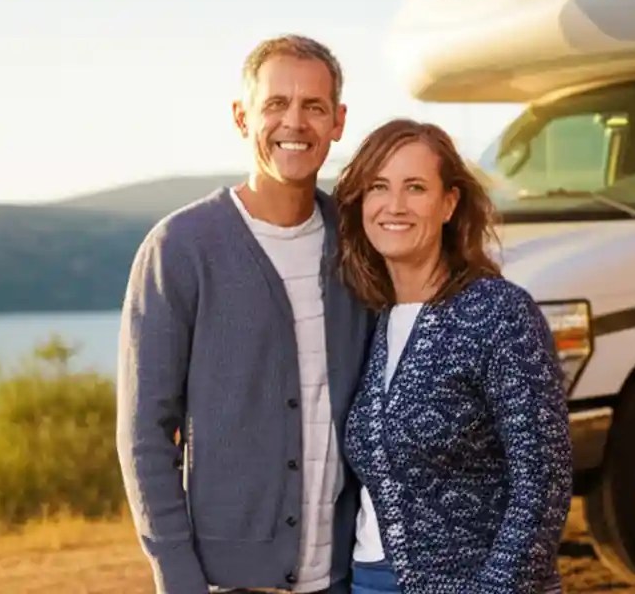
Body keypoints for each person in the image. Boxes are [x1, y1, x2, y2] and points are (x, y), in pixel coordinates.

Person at [116, 34, 374, 594]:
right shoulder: (180, 248)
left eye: (314, 106)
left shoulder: (358, 245)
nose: (295, 122)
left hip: (344, 577)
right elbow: (144, 434)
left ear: (338, 121)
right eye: (275, 104)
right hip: (223, 583)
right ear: (241, 117)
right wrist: (178, 578)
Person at [332, 119, 573, 594]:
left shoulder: (499, 313)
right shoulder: (373, 321)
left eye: (415, 187)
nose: (394, 206)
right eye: (378, 186)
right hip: (369, 582)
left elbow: (543, 482)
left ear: (449, 204)